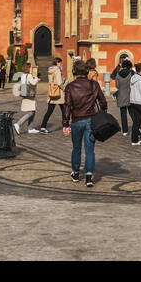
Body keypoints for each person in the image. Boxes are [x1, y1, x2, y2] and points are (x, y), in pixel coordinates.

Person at [60, 59, 108, 187]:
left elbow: (67, 106)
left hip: (76, 121)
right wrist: (103, 113)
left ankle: (75, 173)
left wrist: (65, 123)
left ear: (74, 72)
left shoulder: (70, 87)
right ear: (86, 71)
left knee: (76, 148)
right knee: (89, 149)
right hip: (91, 120)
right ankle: (88, 176)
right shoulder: (94, 85)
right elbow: (103, 102)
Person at [38, 57, 65, 133]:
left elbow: (51, 81)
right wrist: (64, 88)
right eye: (60, 63)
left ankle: (43, 127)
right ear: (57, 63)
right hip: (58, 93)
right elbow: (59, 82)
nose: (61, 64)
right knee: (64, 110)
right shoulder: (57, 70)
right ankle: (66, 126)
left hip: (52, 92)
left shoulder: (50, 69)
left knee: (49, 111)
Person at [13, 64, 40, 134]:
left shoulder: (23, 75)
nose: (31, 68)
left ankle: (30, 128)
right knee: (31, 112)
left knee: (33, 111)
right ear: (28, 68)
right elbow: (33, 83)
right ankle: (18, 124)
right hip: (30, 95)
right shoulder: (29, 75)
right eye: (30, 67)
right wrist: (37, 79)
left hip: (25, 94)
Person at [112, 58, 134, 135]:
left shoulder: (118, 74)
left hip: (121, 96)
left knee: (123, 114)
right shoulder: (131, 73)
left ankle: (125, 130)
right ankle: (137, 127)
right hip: (130, 95)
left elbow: (117, 86)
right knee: (132, 112)